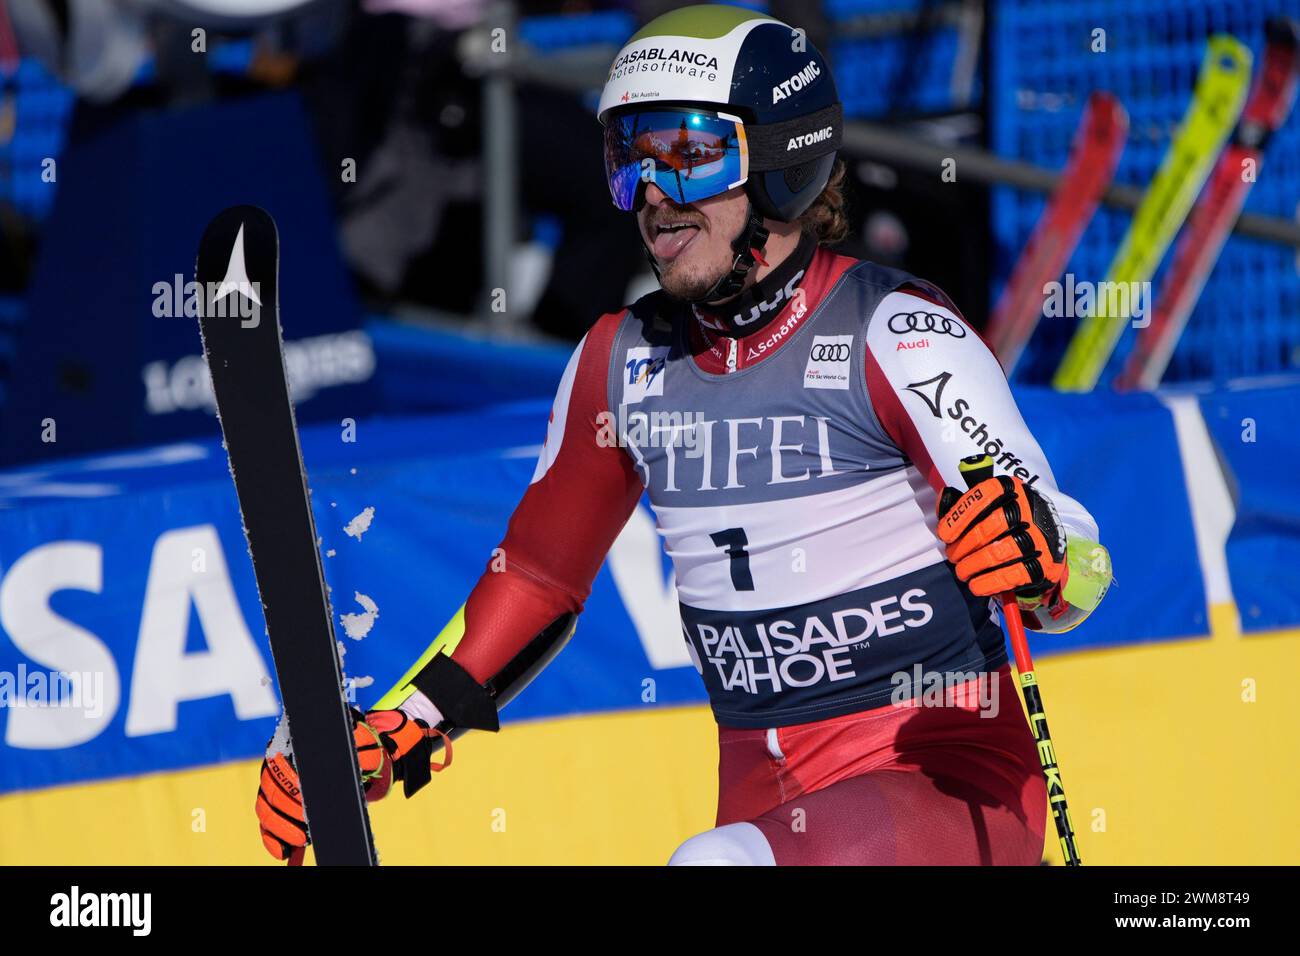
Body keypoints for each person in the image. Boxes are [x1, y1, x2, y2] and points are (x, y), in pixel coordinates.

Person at [256, 4, 1112, 866]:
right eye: (628, 158)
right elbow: (542, 579)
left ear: (781, 161)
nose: (653, 194)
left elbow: (1073, 556)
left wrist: (1041, 552)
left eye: (690, 155)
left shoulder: (895, 331)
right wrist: (402, 728)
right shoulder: (621, 361)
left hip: (941, 785)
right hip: (764, 809)